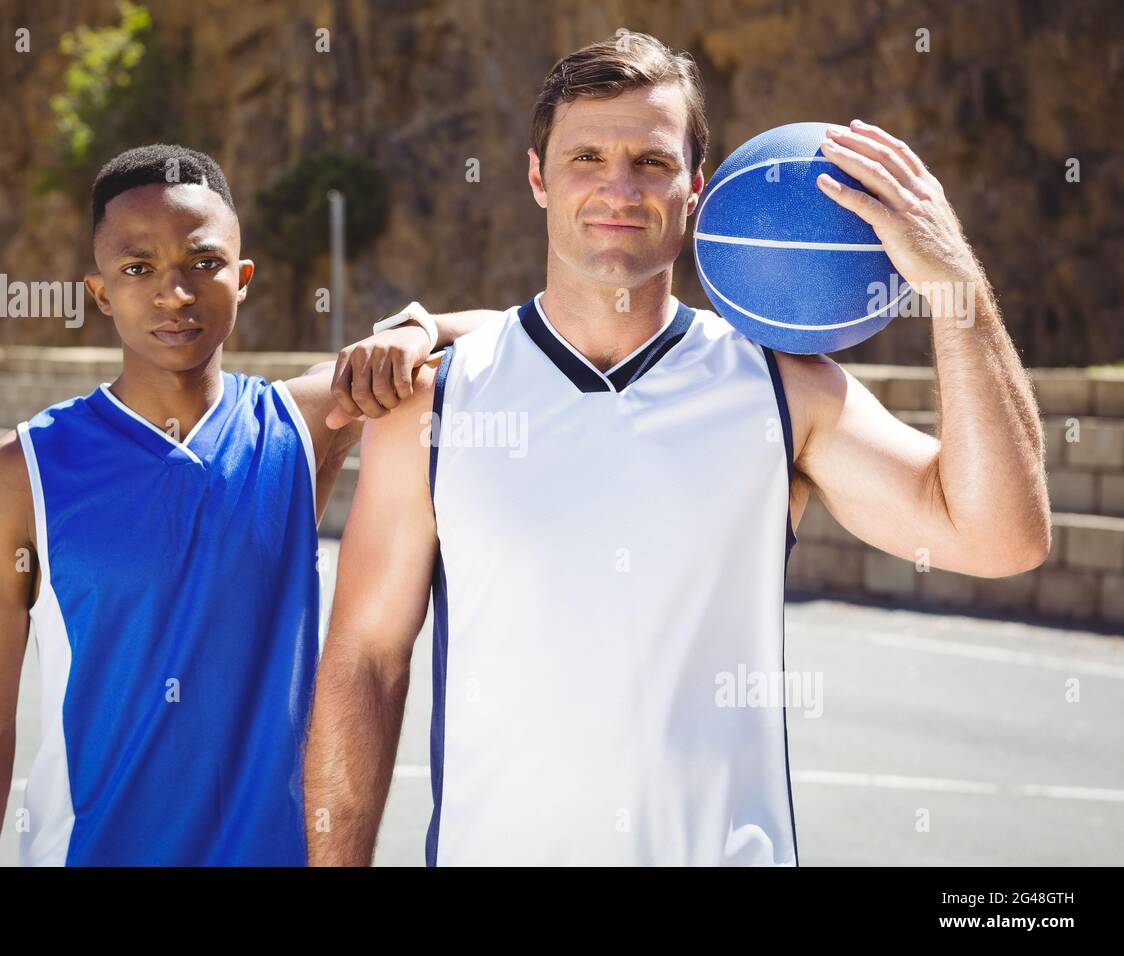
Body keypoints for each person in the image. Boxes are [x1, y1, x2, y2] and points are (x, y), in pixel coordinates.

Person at [302, 33, 1051, 866]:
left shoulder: (781, 389)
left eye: (652, 163)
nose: (619, 187)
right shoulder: (438, 400)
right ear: (538, 177)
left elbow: (1001, 537)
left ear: (699, 187)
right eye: (586, 156)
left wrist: (958, 289)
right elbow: (365, 662)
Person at [0, 144, 495, 866]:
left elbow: (520, 335)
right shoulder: (23, 470)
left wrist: (417, 328)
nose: (174, 294)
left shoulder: (301, 428)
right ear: (101, 291)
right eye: (138, 269)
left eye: (203, 264)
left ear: (242, 277)